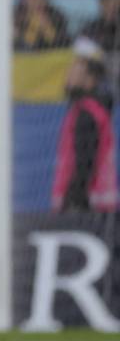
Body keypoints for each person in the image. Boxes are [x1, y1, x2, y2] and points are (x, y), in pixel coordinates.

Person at [53, 37, 119, 213]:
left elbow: (85, 162)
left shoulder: (87, 113)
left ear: (90, 79)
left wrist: (72, 202)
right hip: (97, 203)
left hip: (87, 206)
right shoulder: (91, 109)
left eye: (75, 69)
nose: (68, 74)